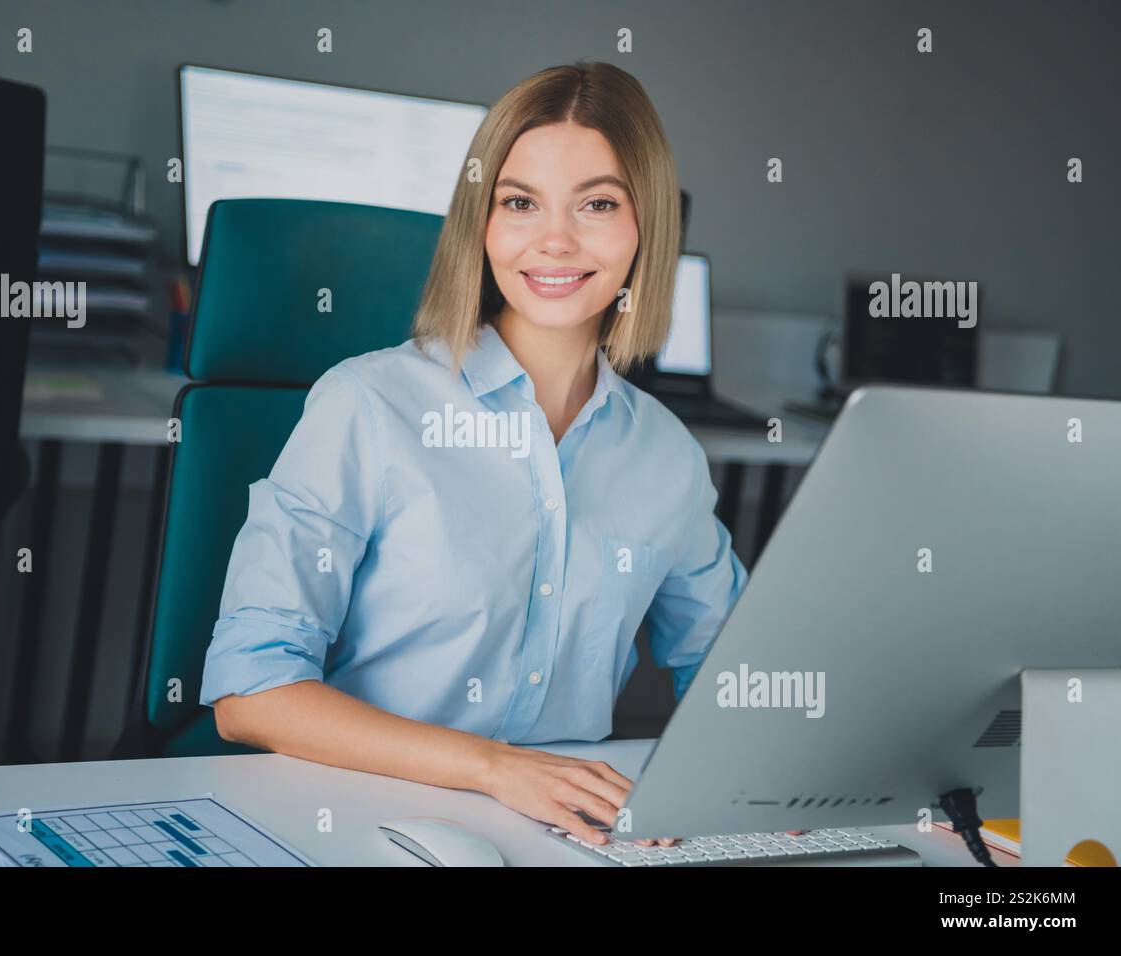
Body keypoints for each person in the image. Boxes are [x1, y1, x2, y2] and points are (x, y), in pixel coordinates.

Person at [201, 61, 747, 847]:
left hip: (560, 834)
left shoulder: (666, 453)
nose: (554, 239)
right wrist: (496, 767)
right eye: (519, 203)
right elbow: (252, 691)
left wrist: (769, 789)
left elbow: (731, 678)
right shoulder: (369, 404)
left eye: (597, 203)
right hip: (350, 815)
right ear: (480, 225)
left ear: (647, 230)